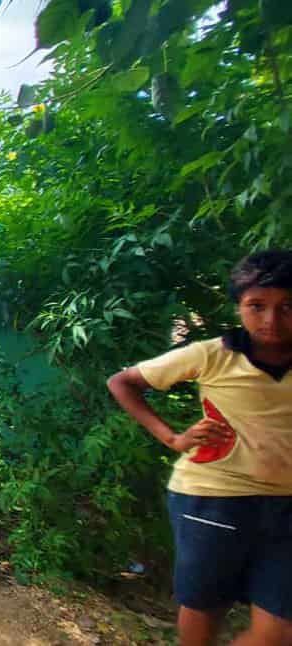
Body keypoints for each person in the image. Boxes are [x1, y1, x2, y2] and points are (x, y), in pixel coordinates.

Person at [107, 250, 292, 646]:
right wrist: (172, 438)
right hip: (212, 498)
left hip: (286, 505)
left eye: (287, 307)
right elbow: (122, 382)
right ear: (239, 306)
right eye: (256, 306)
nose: (271, 320)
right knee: (205, 607)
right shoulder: (213, 354)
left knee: (279, 629)